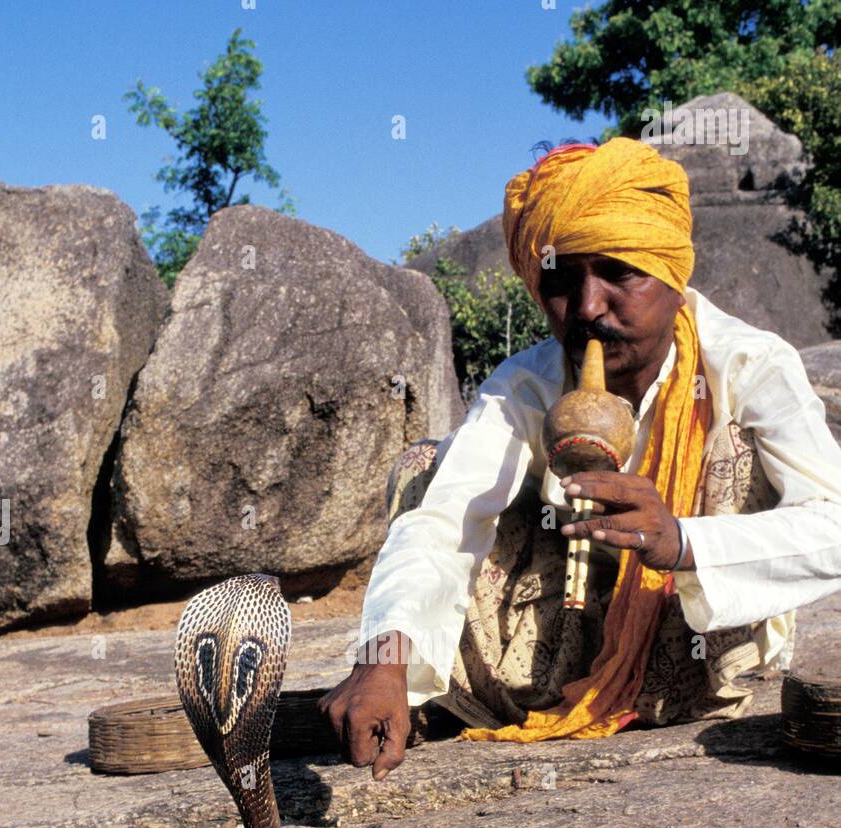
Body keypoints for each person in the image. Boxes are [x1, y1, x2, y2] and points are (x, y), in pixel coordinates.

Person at [319, 138, 841, 779]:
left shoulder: (749, 364)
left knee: (732, 449)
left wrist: (681, 540)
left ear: (674, 278)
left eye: (619, 273)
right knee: (426, 468)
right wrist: (384, 654)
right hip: (554, 651)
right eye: (562, 281)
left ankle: (660, 687)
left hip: (695, 654)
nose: (588, 308)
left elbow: (834, 527)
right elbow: (447, 518)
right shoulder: (529, 384)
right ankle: (494, 695)